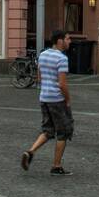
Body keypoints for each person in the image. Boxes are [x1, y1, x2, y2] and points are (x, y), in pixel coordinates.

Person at [21, 30, 73, 176]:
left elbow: (39, 77)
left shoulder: (43, 55)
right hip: (57, 100)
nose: (70, 41)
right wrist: (68, 99)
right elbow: (62, 84)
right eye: (68, 39)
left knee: (48, 130)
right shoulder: (62, 58)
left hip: (44, 97)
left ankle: (30, 152)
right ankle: (56, 166)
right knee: (63, 132)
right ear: (60, 41)